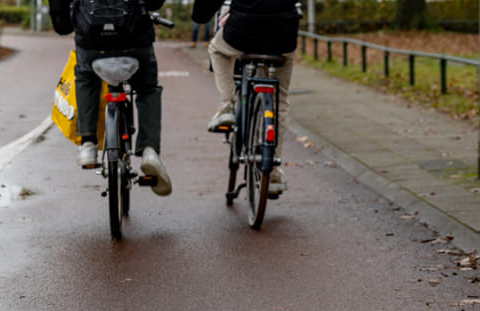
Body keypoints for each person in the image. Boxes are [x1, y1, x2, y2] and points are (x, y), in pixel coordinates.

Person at [50, 0, 173, 196]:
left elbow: (60, 10)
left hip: (91, 42)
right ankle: (149, 150)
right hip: (135, 42)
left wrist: (64, 22)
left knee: (85, 78)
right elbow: (154, 2)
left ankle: (88, 144)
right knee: (147, 89)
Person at [192, 0, 299, 193]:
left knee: (217, 50)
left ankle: (227, 105)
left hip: (241, 32)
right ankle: (273, 169)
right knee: (280, 99)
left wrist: (200, 16)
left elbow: (203, 10)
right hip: (283, 35)